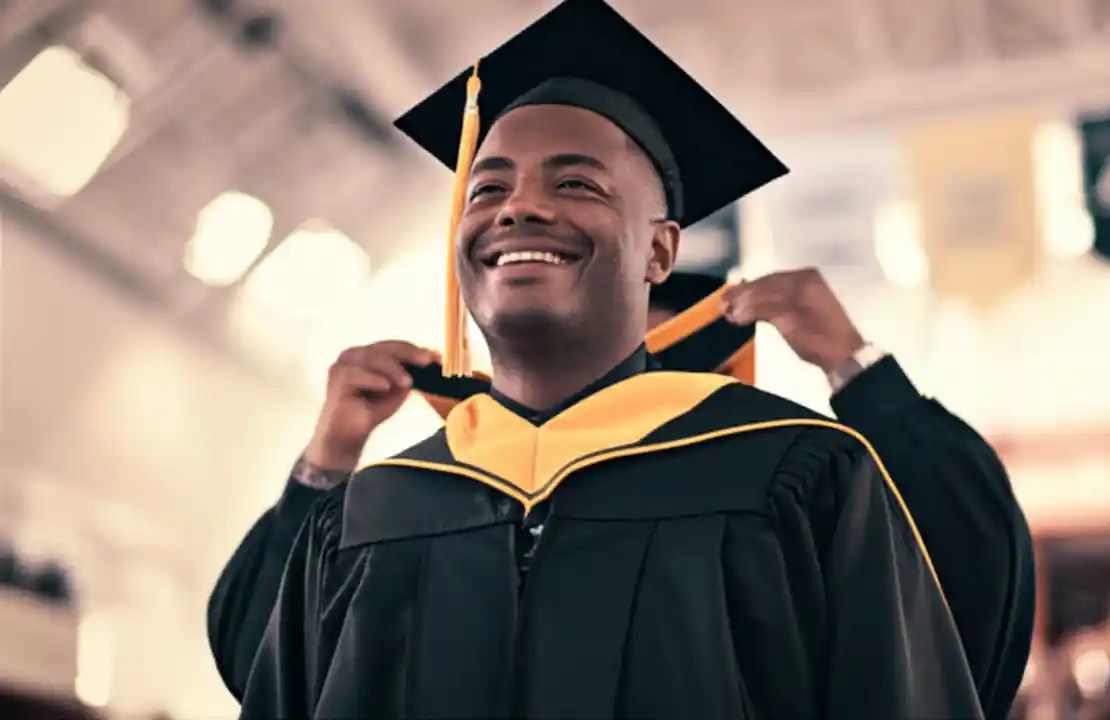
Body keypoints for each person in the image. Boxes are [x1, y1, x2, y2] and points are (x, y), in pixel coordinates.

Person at [214, 0, 999, 716]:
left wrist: (861, 372)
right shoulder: (371, 513)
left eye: (578, 182)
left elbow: (963, 615)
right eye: (486, 190)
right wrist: (326, 463)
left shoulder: (796, 475)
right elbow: (258, 666)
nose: (519, 204)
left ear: (659, 250)